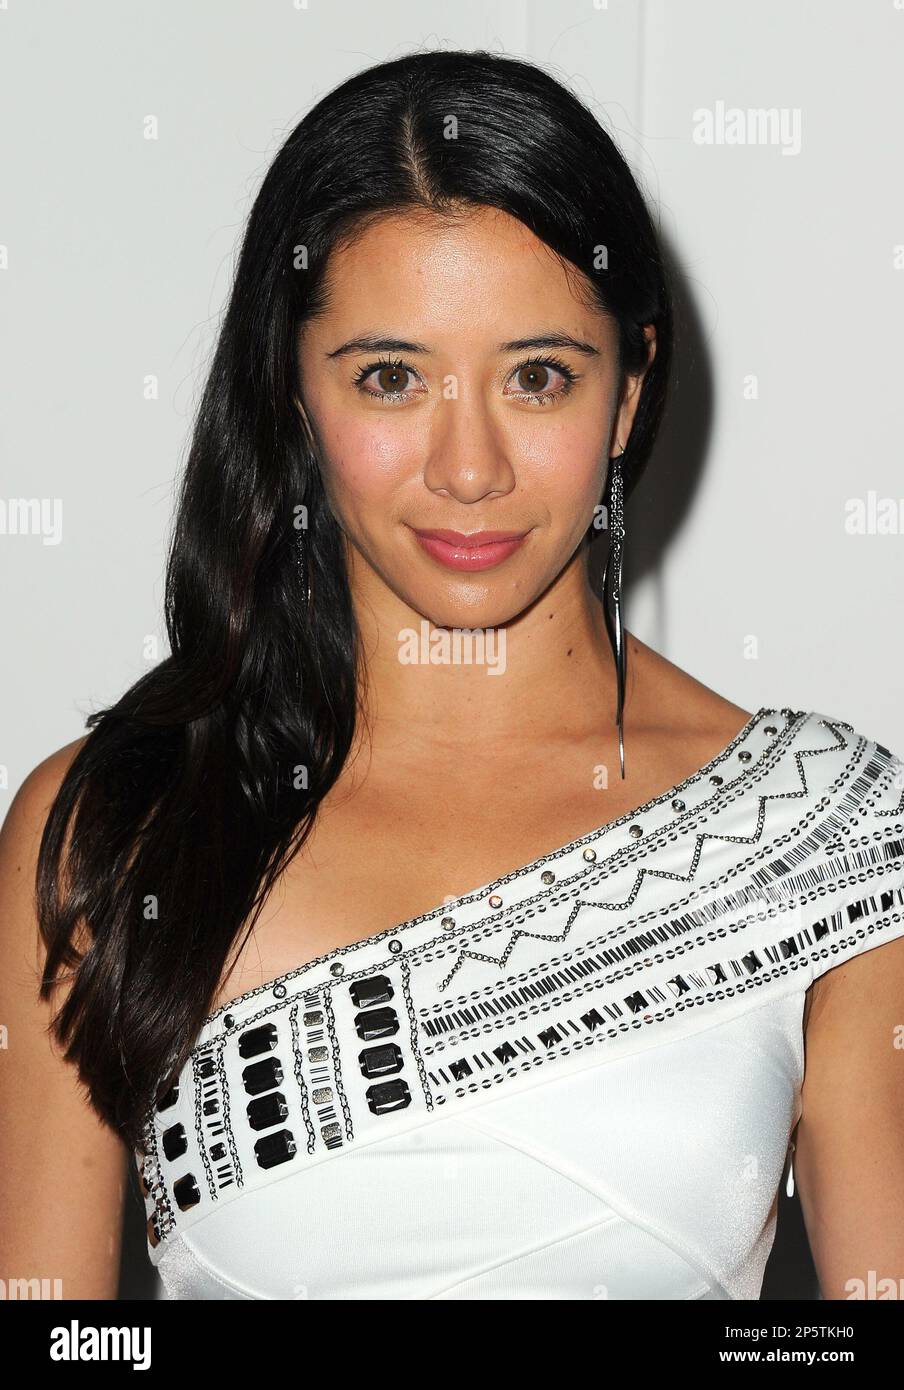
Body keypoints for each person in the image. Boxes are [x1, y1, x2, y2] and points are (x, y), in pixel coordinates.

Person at [1, 49, 902, 1302]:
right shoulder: (113, 823)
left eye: (537, 376)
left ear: (629, 389)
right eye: (391, 377)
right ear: (291, 391)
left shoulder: (824, 829)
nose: (468, 466)